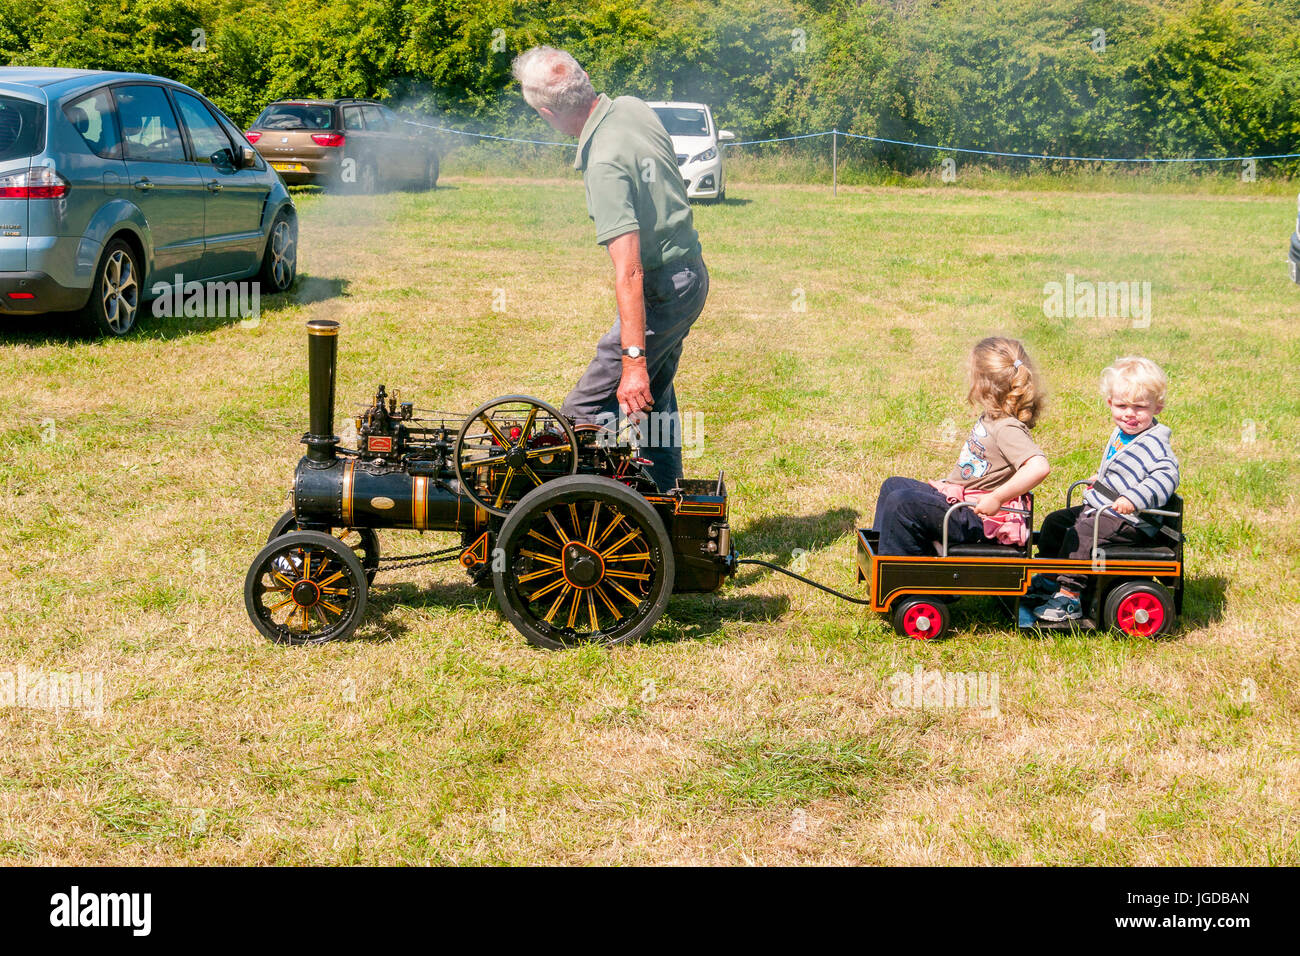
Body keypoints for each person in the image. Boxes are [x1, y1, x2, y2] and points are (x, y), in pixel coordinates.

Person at [511, 46, 709, 492]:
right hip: (689, 273)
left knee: (585, 411)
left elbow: (630, 271)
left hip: (663, 287)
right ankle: (666, 511)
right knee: (652, 406)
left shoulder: (603, 164)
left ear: (547, 112)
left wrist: (633, 360)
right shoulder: (633, 108)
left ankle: (559, 516)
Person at [872, 337, 1051, 555]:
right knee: (892, 486)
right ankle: (884, 560)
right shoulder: (994, 416)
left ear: (983, 383)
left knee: (903, 504)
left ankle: (907, 583)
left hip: (980, 518)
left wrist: (996, 498)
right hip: (962, 501)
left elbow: (1039, 466)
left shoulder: (1006, 427)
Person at [1032, 357, 1179, 622]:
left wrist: (1133, 499)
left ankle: (1069, 596)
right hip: (1104, 507)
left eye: (1140, 407)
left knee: (1084, 533)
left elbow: (1165, 477)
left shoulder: (1155, 445)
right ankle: (1050, 576)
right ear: (1110, 403)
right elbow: (1121, 468)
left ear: (1158, 406)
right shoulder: (1122, 433)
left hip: (1132, 520)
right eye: (1122, 405)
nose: (1129, 414)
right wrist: (1101, 479)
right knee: (1055, 523)